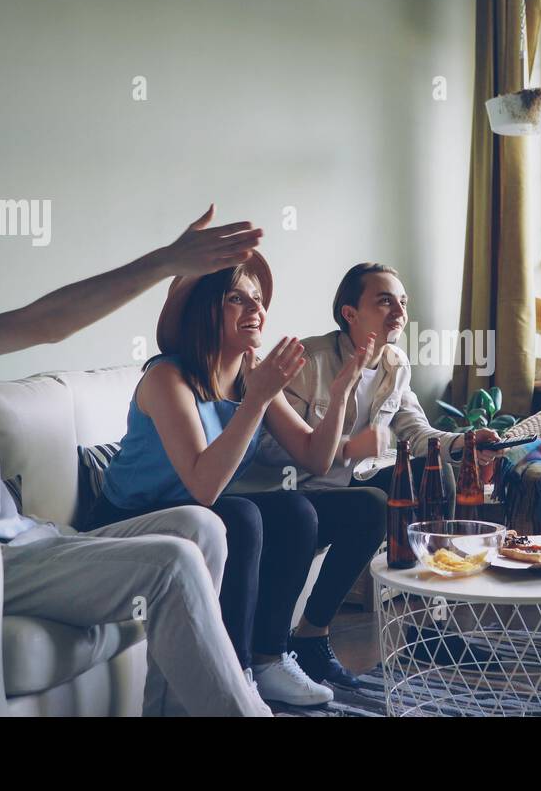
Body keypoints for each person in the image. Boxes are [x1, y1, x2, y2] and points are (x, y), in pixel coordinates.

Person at [0, 207, 271, 717]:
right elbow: (48, 323)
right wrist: (167, 261)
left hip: (26, 538)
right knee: (173, 562)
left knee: (199, 525)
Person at [87, 256, 385, 705]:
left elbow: (315, 457)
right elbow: (202, 487)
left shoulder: (249, 372)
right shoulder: (167, 377)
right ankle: (238, 673)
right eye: (236, 299)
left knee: (336, 506)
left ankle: (272, 658)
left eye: (258, 300)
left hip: (194, 512)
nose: (255, 309)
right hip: (130, 518)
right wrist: (259, 398)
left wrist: (342, 389)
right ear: (205, 311)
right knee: (242, 516)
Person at [252, 262, 503, 676]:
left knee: (435, 471)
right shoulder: (307, 360)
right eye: (384, 301)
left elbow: (415, 431)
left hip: (347, 481)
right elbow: (266, 448)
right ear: (349, 313)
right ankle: (311, 636)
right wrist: (345, 449)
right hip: (295, 489)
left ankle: (430, 628)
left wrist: (465, 442)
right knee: (371, 502)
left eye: (402, 302)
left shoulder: (395, 363)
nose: (399, 312)